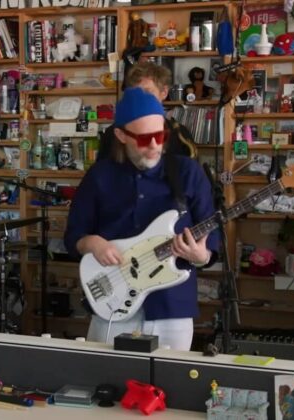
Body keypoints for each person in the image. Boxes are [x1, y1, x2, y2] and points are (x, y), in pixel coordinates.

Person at [64, 87, 219, 351]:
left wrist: (200, 255)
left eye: (160, 136)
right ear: (121, 135)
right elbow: (73, 236)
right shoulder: (99, 176)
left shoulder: (187, 172)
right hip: (112, 299)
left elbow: (211, 239)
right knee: (107, 383)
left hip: (172, 305)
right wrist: (91, 243)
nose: (154, 146)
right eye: (145, 138)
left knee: (170, 384)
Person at [97, 61, 198, 160]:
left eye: (147, 92)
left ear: (164, 92)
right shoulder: (112, 135)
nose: (140, 99)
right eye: (135, 93)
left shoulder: (180, 134)